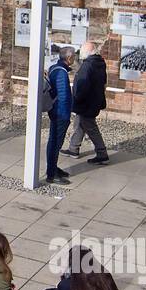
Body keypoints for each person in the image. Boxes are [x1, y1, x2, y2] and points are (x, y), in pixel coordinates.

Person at [64, 40, 110, 165]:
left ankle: (102, 153)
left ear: (87, 52)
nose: (81, 53)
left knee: (90, 127)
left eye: (83, 51)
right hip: (94, 100)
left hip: (86, 103)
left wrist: (76, 99)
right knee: (79, 123)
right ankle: (73, 149)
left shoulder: (87, 65)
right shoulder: (100, 63)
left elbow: (82, 85)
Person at [45, 46, 74, 185]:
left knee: (54, 141)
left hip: (55, 111)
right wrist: (67, 114)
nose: (75, 59)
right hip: (60, 113)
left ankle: (53, 167)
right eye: (73, 56)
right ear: (68, 58)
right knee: (55, 143)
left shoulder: (54, 68)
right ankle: (51, 174)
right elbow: (63, 97)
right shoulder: (61, 73)